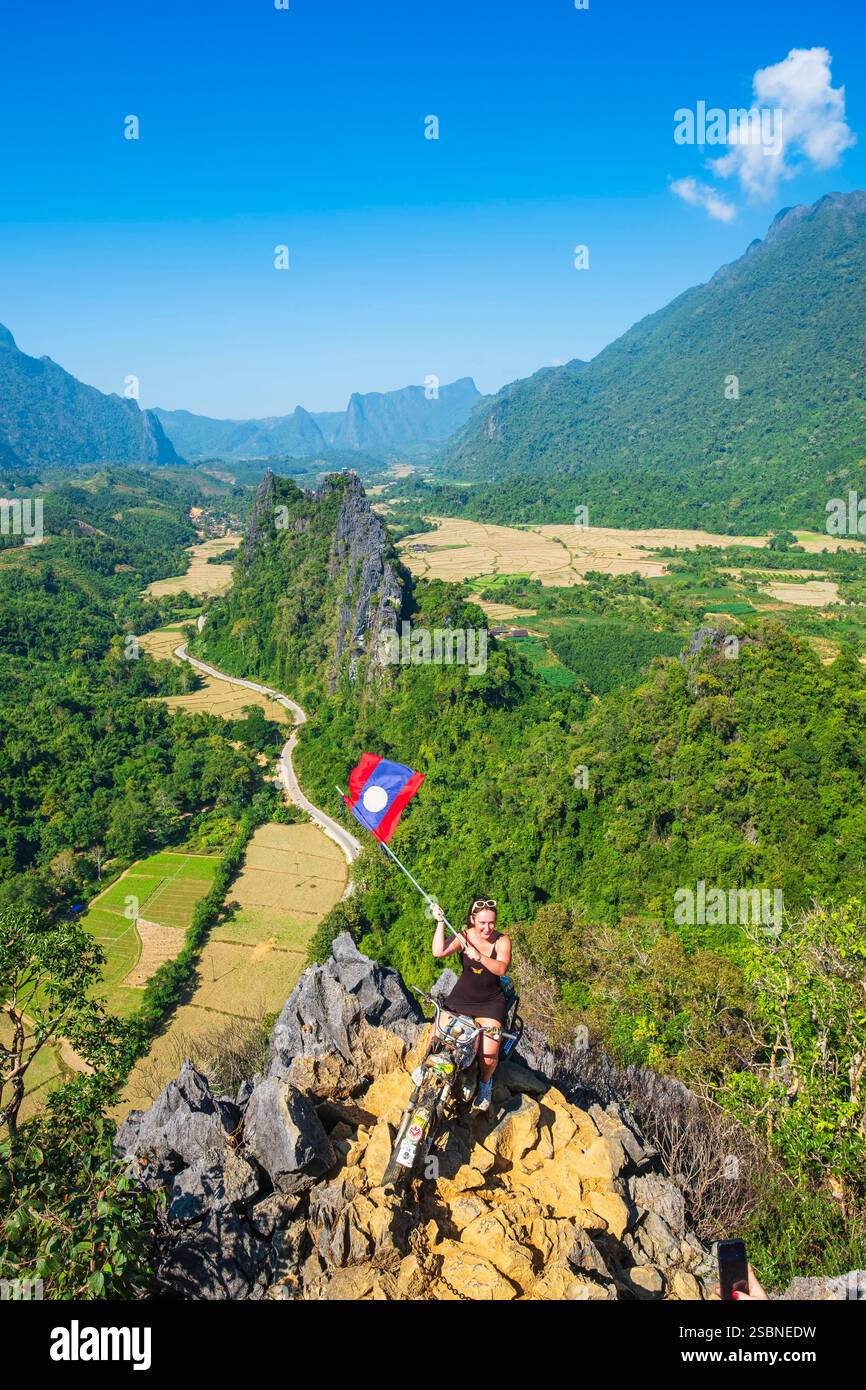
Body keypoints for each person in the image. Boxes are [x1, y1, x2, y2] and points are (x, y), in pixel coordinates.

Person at [427, 897, 512, 1113]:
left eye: (491, 922)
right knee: (437, 1032)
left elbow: (501, 969)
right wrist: (440, 923)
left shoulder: (502, 941)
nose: (487, 928)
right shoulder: (464, 935)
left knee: (489, 1053)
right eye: (482, 922)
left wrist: (480, 956)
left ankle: (485, 1084)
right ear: (473, 919)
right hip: (463, 995)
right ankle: (425, 1067)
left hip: (490, 1001)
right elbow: (438, 952)